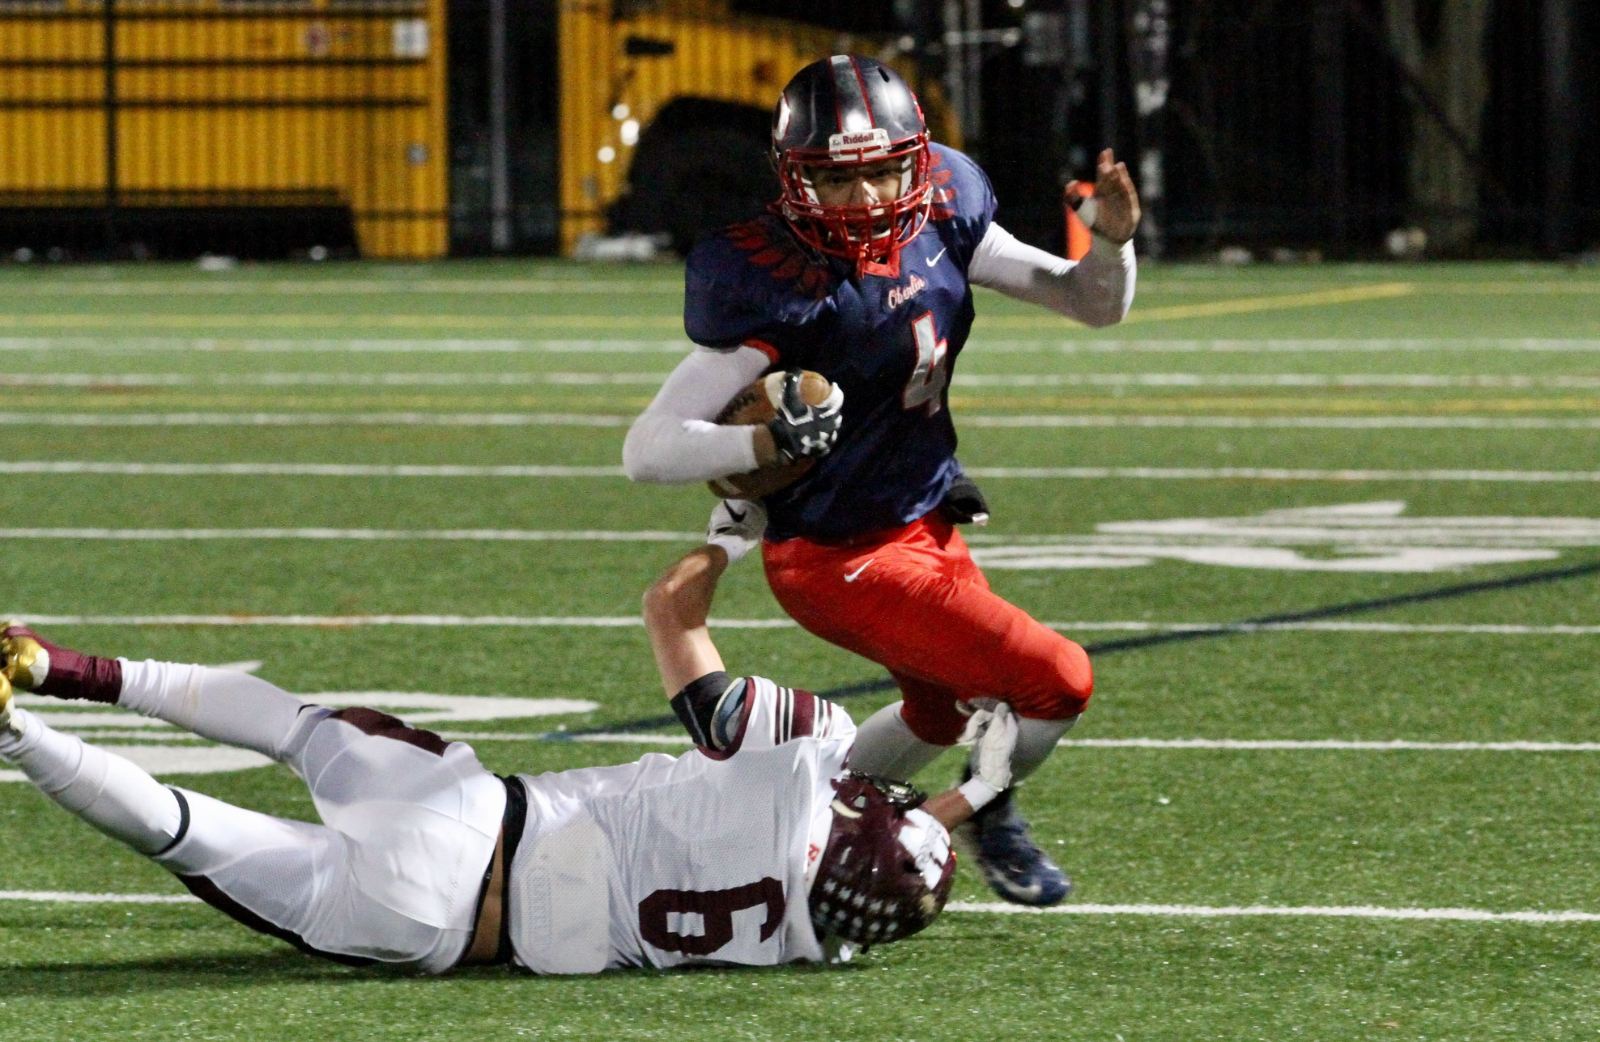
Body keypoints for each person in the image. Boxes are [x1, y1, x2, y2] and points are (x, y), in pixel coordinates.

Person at [0, 512, 1024, 974]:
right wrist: (966, 798)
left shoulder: (812, 755)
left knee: (287, 722)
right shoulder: (817, 937)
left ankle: (56, 665)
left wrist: (735, 519)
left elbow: (673, 615)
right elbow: (879, 857)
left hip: (466, 811)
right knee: (180, 829)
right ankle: (13, 727)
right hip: (437, 931)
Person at [623, 54, 1142, 905]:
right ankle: (957, 821)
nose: (864, 199)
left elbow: (1093, 303)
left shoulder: (945, 208)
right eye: (836, 180)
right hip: (835, 555)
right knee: (1057, 679)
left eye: (883, 173)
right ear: (794, 180)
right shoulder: (778, 282)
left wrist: (1113, 243)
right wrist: (763, 444)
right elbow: (646, 449)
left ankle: (796, 842)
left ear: (918, 161)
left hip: (924, 518)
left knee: (939, 712)